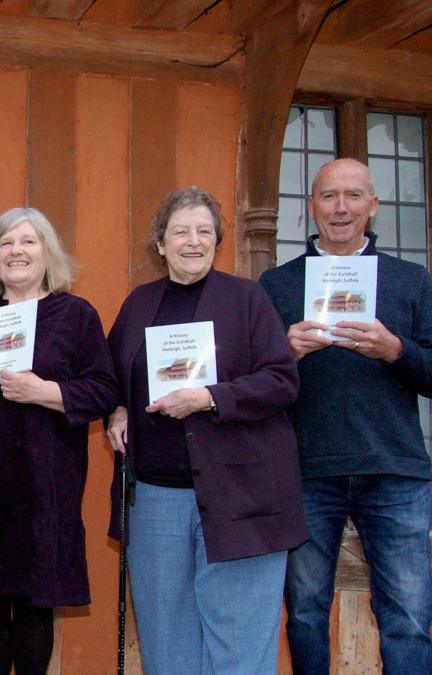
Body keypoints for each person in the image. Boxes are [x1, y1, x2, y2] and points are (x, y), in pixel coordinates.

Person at [105, 186, 306, 674]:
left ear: (217, 240)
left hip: (242, 498)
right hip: (155, 499)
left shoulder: (247, 298)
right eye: (180, 231)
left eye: (203, 231)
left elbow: (282, 380)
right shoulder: (139, 303)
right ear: (160, 243)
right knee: (166, 643)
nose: (192, 241)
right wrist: (116, 410)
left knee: (238, 645)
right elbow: (108, 376)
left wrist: (211, 398)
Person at [259, 158, 432, 673]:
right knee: (306, 614)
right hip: (309, 469)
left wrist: (396, 350)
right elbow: (253, 385)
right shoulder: (277, 284)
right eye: (328, 196)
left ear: (373, 206)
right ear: (310, 206)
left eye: (353, 196)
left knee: (409, 616)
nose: (340, 208)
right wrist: (282, 353)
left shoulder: (411, 280)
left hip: (396, 470)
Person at [0, 208, 117, 675]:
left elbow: (105, 389)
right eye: (6, 243)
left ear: (47, 254)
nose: (16, 251)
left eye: (28, 242)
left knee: (34, 602)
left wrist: (46, 392)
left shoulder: (76, 315)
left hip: (46, 483)